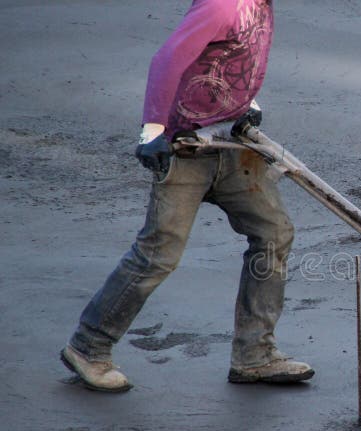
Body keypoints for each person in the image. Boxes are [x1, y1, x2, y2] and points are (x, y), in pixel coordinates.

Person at [61, 0, 314, 392]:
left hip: (229, 143)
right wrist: (152, 130)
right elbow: (168, 58)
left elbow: (233, 57)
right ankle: (89, 347)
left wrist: (246, 103)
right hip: (185, 148)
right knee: (158, 253)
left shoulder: (260, 6)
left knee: (273, 233)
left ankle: (254, 355)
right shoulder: (223, 5)